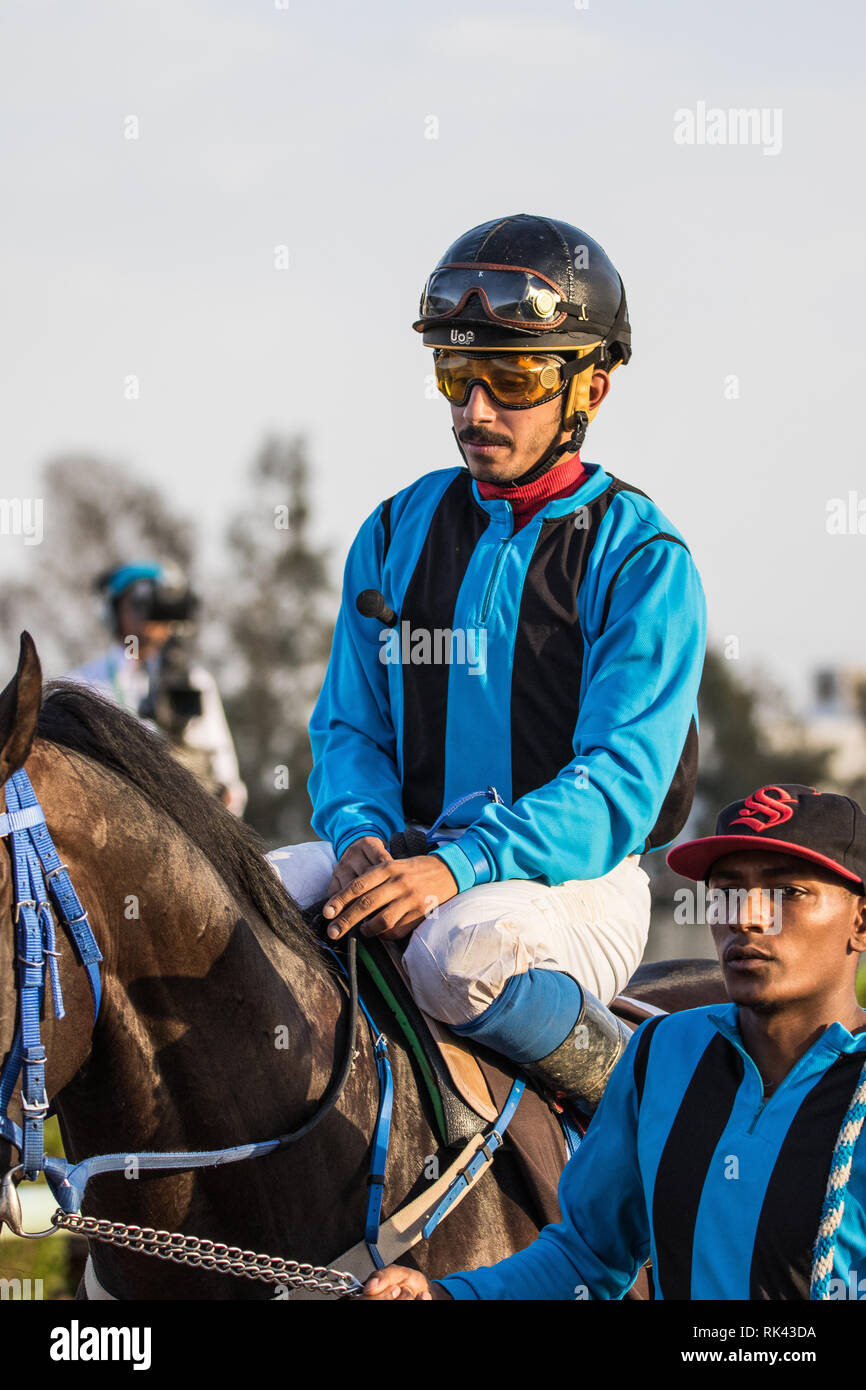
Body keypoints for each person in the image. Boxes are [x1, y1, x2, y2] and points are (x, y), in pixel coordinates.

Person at [270, 213, 706, 1107]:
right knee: (242, 904)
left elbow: (618, 783)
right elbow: (349, 727)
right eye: (455, 375)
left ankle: (644, 1126)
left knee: (453, 954)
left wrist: (459, 867)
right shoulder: (394, 529)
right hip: (403, 855)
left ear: (593, 389)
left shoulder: (643, 557)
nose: (475, 412)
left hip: (572, 886)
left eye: (511, 379)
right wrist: (361, 837)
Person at [362, 784, 866, 1300]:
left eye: (788, 892)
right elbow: (587, 1258)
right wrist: (446, 1297)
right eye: (728, 891)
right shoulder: (660, 1054)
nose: (747, 916)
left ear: (861, 922)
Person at [69, 562, 247, 816]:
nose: (151, 615)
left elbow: (228, 779)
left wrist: (224, 799)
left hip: (190, 828)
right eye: (139, 603)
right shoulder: (81, 685)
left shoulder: (196, 681)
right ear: (113, 612)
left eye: (159, 603)